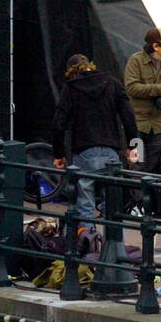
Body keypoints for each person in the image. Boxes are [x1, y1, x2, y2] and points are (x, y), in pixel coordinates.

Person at [52, 53, 138, 228]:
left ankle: (88, 246)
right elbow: (128, 115)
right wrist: (132, 145)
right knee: (112, 203)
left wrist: (59, 154)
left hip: (84, 150)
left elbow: (58, 123)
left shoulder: (71, 87)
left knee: (85, 203)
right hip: (111, 150)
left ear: (71, 71)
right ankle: (114, 249)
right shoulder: (112, 82)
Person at [123, 28, 161, 173]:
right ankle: (136, 195)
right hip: (138, 124)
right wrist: (158, 89)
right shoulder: (136, 61)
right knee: (137, 165)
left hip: (159, 125)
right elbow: (131, 88)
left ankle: (146, 195)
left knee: (152, 166)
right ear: (156, 46)